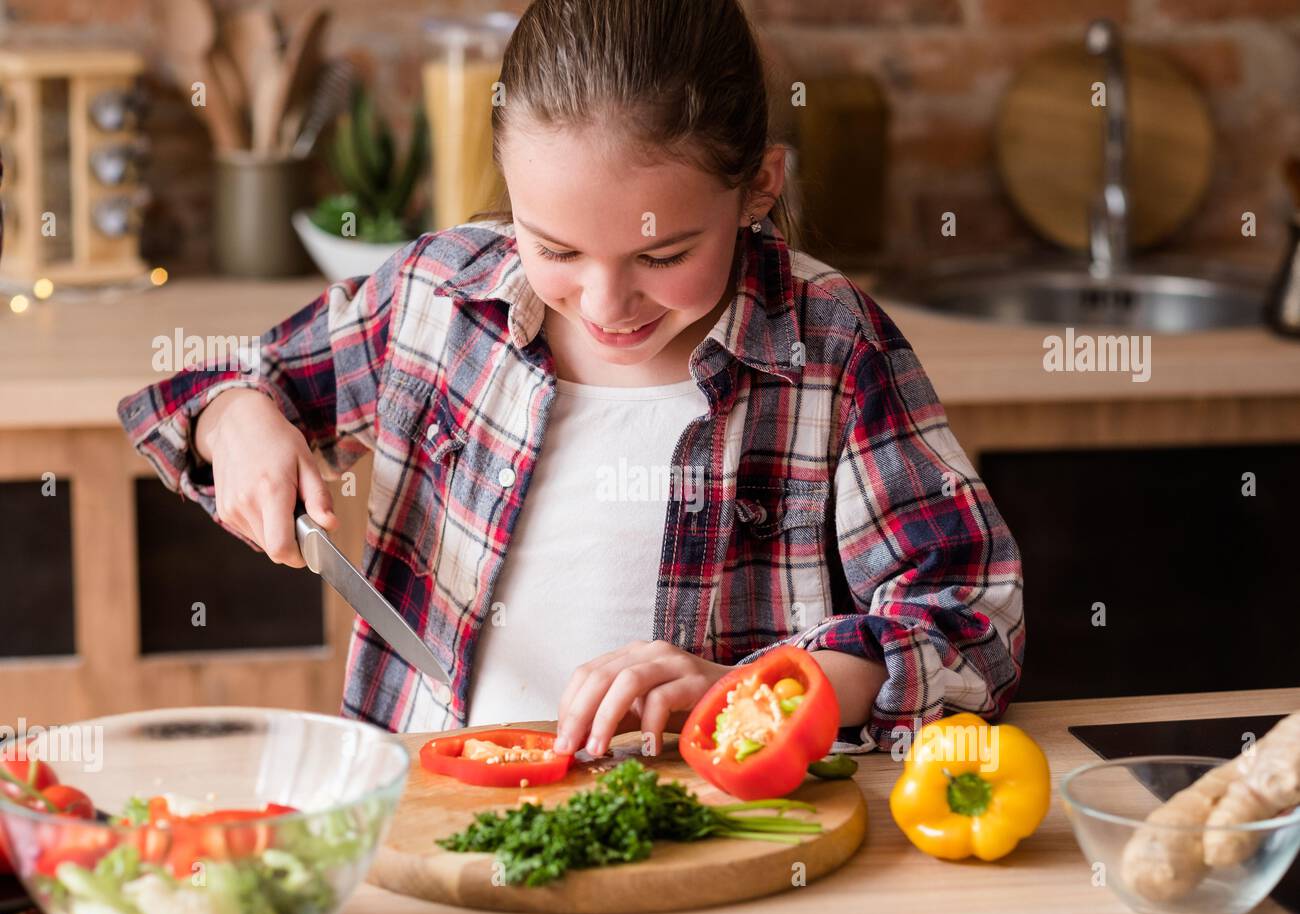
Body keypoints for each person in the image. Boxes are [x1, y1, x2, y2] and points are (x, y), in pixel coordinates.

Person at [118, 0, 1024, 760]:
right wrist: (236, 420)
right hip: (445, 823)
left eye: (661, 253)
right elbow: (209, 389)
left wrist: (771, 688)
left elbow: (973, 622)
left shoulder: (831, 345)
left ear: (758, 188)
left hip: (726, 848)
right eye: (553, 246)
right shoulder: (437, 299)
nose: (605, 301)